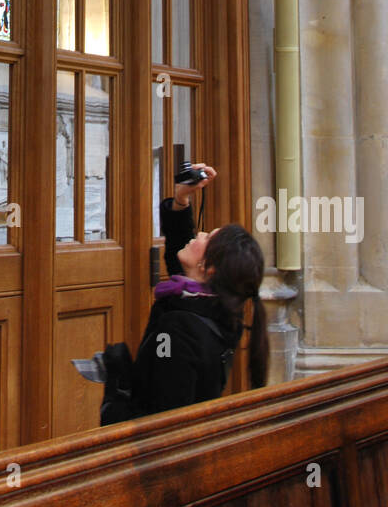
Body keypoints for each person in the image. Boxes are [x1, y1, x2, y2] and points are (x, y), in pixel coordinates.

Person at [98, 168, 268, 423]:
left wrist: (117, 387)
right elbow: (181, 255)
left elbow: (162, 421)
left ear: (209, 268)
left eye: (207, 237)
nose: (198, 234)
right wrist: (181, 199)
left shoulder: (178, 328)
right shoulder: (218, 310)